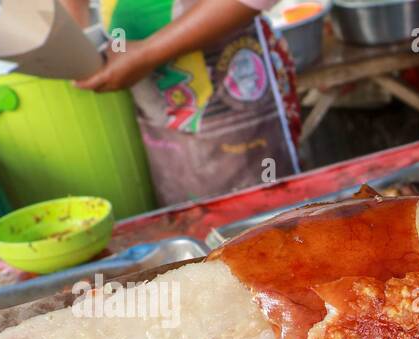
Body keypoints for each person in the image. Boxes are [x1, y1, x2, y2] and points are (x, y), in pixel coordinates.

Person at [64, 0, 302, 206]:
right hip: (149, 91)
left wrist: (148, 53)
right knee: (190, 212)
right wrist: (75, 47)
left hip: (231, 83)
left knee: (263, 215)